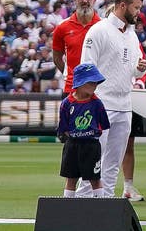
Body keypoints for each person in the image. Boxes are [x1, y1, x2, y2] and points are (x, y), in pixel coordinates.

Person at [78, 0, 146, 197]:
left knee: (113, 163)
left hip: (124, 105)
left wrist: (139, 68)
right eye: (136, 8)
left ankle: (105, 203)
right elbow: (86, 67)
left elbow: (131, 68)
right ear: (122, 5)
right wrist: (91, 101)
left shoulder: (131, 34)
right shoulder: (99, 31)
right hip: (101, 104)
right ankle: (82, 203)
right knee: (93, 158)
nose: (138, 13)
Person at [58, 63, 111, 198]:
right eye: (90, 82)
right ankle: (68, 207)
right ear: (79, 83)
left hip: (91, 146)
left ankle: (100, 208)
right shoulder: (67, 103)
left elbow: (104, 125)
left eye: (95, 82)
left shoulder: (97, 103)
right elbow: (63, 128)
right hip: (72, 145)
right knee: (71, 178)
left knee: (95, 178)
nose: (94, 85)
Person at [52, 0, 100, 95]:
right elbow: (57, 58)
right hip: (71, 89)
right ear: (74, 0)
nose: (84, 0)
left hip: (98, 91)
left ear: (94, 0)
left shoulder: (103, 26)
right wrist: (70, 75)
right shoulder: (62, 27)